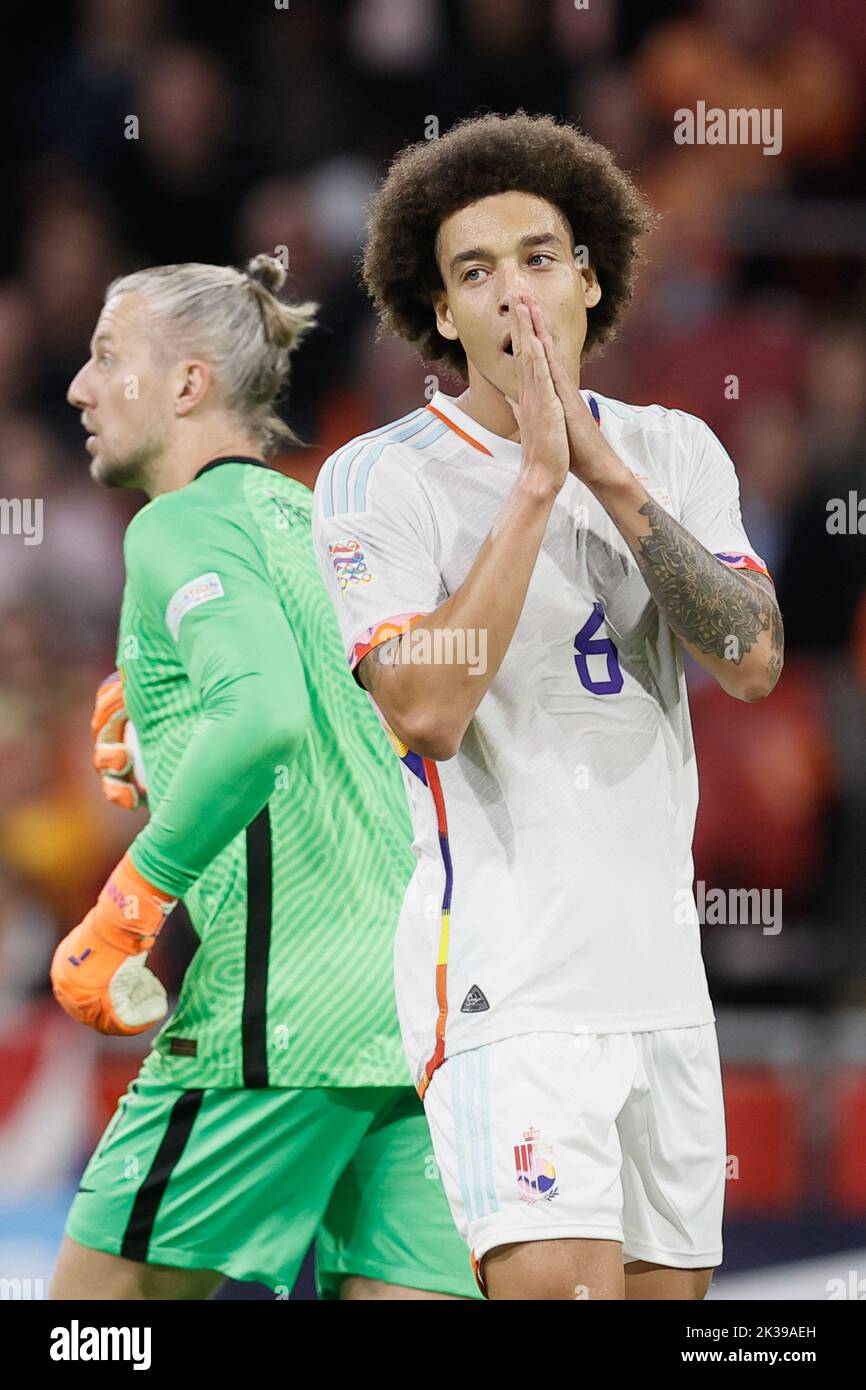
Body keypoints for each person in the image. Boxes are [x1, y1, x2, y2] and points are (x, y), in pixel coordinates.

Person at [312, 113, 784, 1301]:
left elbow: (750, 659)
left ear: (588, 276)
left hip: (663, 991)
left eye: (536, 255)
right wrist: (532, 479)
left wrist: (599, 470)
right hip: (508, 993)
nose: (510, 290)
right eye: (473, 271)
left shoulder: (672, 448)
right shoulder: (377, 476)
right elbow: (421, 710)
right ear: (438, 313)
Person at [50, 254, 479, 1301]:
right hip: (424, 1016)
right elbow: (378, 728)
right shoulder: (319, 526)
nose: (78, 387)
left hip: (279, 1016)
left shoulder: (175, 525)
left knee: (86, 1330)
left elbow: (262, 720)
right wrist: (159, 716)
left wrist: (128, 906)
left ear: (189, 385)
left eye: (108, 357)